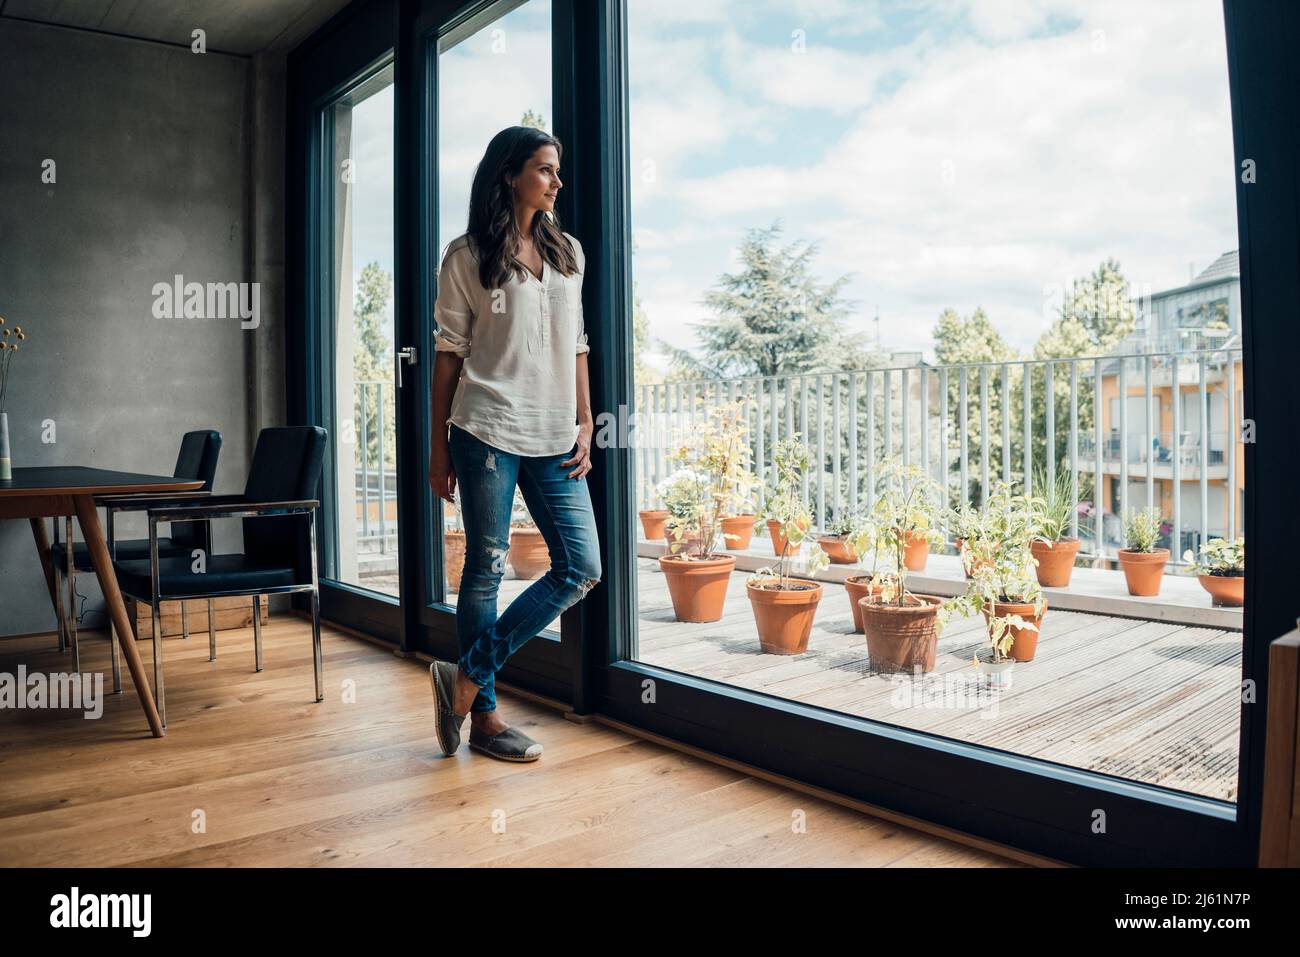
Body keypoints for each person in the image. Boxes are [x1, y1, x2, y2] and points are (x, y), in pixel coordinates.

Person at [427, 125, 601, 762]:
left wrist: (586, 420)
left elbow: (577, 343)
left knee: (581, 568)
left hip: (555, 433)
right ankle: (486, 720)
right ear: (510, 174)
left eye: (557, 170)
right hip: (486, 428)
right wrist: (437, 449)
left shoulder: (568, 252)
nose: (557, 181)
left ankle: (466, 678)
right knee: (486, 567)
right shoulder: (466, 256)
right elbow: (448, 356)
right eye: (545, 169)